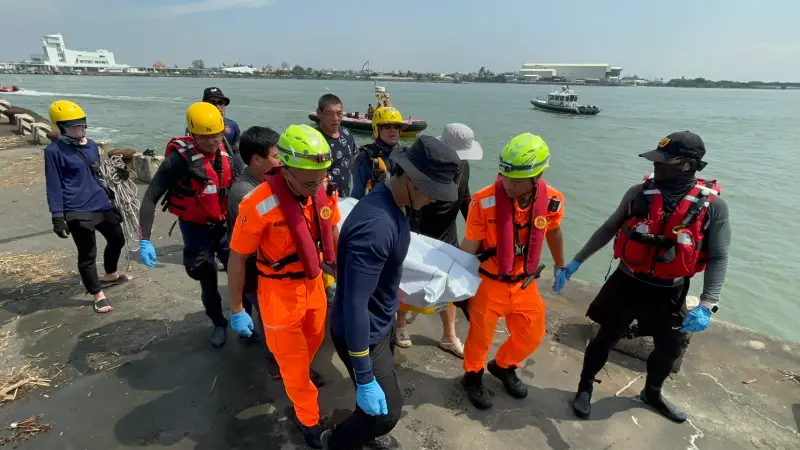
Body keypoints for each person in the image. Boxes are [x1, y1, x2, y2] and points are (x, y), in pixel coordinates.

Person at [564, 131, 731, 424]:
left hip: (670, 290)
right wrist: (576, 261)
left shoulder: (713, 207)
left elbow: (719, 256)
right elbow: (608, 228)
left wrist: (708, 303)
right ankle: (585, 386)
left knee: (670, 348)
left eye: (663, 161)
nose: (656, 165)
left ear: (687, 165)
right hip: (627, 282)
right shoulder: (638, 193)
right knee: (605, 337)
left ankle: (652, 392)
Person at [322, 136, 462, 450]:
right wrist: (362, 371)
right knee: (387, 412)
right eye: (432, 192)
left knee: (378, 405)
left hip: (380, 323)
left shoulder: (396, 202)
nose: (435, 200)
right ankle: (337, 441)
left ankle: (361, 427)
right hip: (362, 334)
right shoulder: (377, 225)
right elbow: (354, 303)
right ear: (410, 179)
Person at [227, 124, 339, 449]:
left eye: (320, 177)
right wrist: (236, 308)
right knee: (292, 365)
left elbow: (332, 231)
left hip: (314, 285)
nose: (315, 185)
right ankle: (308, 419)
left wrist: (339, 273)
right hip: (278, 294)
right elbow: (237, 258)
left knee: (314, 341)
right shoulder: (257, 204)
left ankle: (300, 378)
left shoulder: (320, 190)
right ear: (285, 168)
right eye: (308, 180)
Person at [458, 133, 567, 410]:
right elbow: (469, 245)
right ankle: (472, 376)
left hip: (524, 283)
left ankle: (504, 365)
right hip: (489, 283)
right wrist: (456, 279)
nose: (507, 184)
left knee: (532, 333)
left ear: (537, 176)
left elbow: (553, 233)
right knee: (479, 338)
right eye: (504, 176)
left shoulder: (553, 200)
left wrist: (561, 265)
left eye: (515, 180)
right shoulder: (482, 201)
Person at [138, 102, 237, 349]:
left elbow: (247, 179)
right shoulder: (178, 159)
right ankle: (218, 323)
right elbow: (150, 196)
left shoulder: (226, 151)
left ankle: (243, 316)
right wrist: (144, 238)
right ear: (192, 135)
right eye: (206, 138)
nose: (213, 142)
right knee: (207, 277)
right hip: (196, 230)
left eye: (217, 135)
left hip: (225, 227)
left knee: (240, 275)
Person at [44, 100, 132, 313]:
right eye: (74, 126)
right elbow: (53, 185)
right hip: (77, 208)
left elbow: (98, 171)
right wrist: (57, 215)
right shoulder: (53, 151)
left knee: (117, 238)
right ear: (61, 126)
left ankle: (110, 273)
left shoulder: (91, 145)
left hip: (101, 202)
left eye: (82, 124)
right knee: (87, 252)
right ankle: (97, 293)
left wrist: (118, 175)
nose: (79, 129)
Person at [407, 123, 483, 335]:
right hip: (420, 233)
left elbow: (465, 197)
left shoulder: (464, 166)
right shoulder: (430, 165)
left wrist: (478, 230)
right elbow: (415, 201)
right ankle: (401, 325)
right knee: (408, 281)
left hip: (448, 232)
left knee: (451, 285)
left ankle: (449, 335)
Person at [226, 125, 283, 378]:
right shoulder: (245, 193)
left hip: (265, 264)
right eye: (275, 155)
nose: (280, 160)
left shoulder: (264, 180)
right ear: (257, 159)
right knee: (269, 314)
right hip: (253, 267)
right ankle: (275, 361)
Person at [351, 106, 408, 200]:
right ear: (377, 129)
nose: (392, 130)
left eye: (396, 127)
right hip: (378, 210)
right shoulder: (365, 158)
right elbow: (357, 196)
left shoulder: (406, 155)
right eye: (387, 126)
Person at [185, 87, 244, 174]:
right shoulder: (195, 128)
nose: (217, 107)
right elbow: (190, 151)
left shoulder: (233, 125)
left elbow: (237, 151)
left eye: (221, 103)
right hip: (202, 169)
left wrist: (241, 171)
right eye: (212, 103)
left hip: (227, 168)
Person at [315, 94, 357, 197]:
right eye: (330, 114)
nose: (335, 119)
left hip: (346, 195)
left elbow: (353, 159)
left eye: (339, 113)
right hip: (324, 197)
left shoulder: (347, 133)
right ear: (319, 113)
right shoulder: (314, 140)